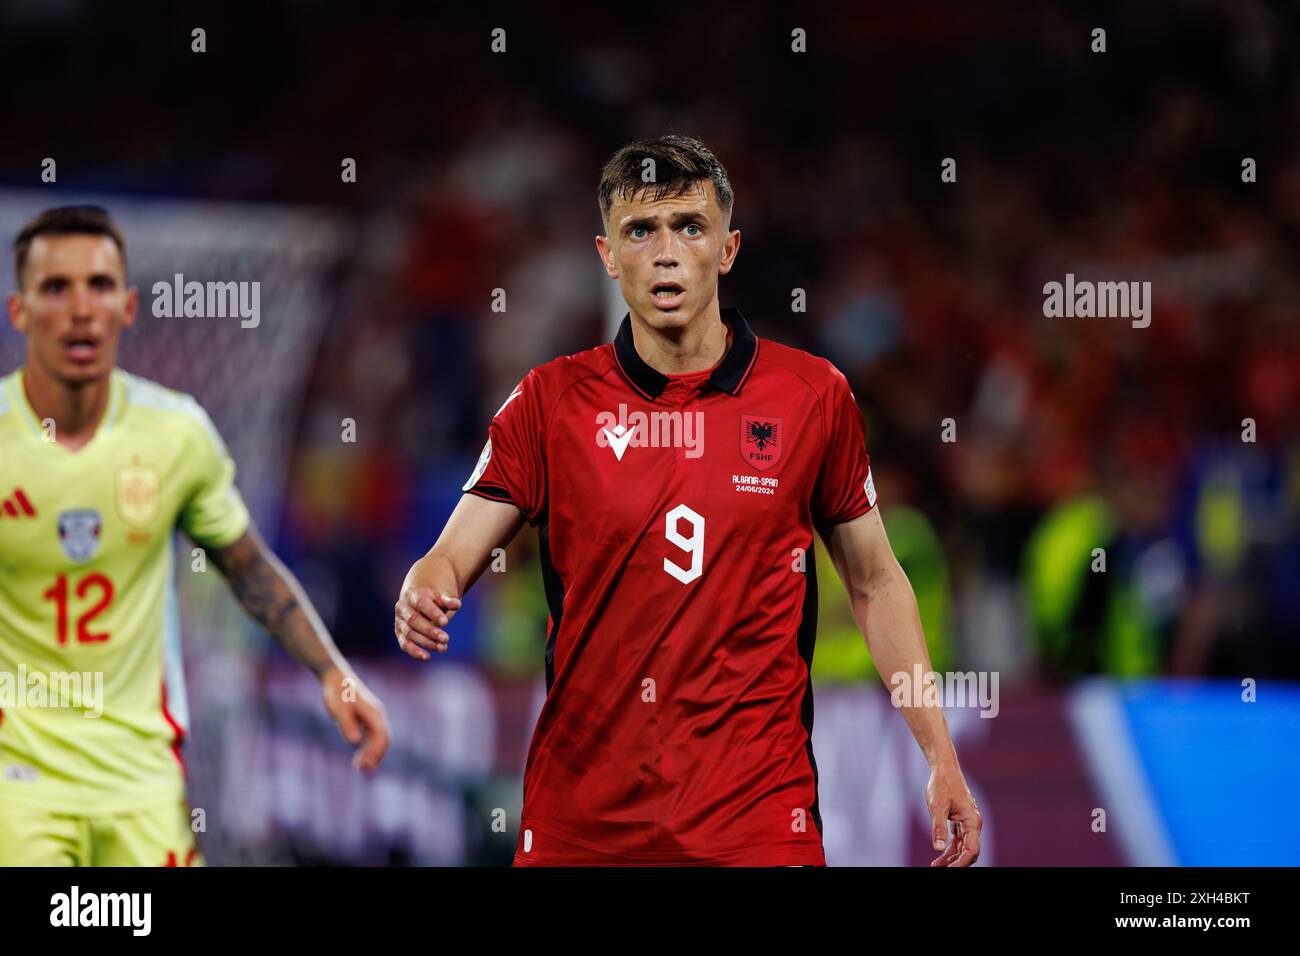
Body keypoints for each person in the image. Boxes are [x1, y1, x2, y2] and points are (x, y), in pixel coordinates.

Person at [395, 135, 981, 866]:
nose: (666, 251)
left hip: (758, 823)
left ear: (727, 249)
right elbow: (452, 555)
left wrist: (939, 755)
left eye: (689, 227)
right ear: (608, 256)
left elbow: (875, 580)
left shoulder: (812, 398)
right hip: (584, 826)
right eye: (642, 231)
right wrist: (427, 582)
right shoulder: (549, 403)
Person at [0, 206, 390, 866]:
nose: (80, 309)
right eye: (56, 287)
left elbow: (247, 566)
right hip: (21, 782)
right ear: (19, 311)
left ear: (126, 307)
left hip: (142, 781)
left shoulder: (174, 434)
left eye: (98, 286)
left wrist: (332, 672)